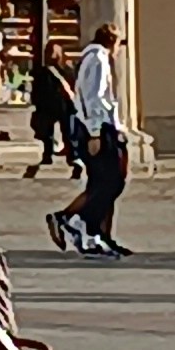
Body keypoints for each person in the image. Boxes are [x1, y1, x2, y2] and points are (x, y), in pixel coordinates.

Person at [54, 22, 130, 257]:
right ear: (112, 41)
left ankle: (96, 233)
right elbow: (93, 98)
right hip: (98, 128)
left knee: (103, 182)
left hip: (105, 126)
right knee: (110, 181)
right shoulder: (97, 59)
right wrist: (96, 132)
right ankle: (81, 222)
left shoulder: (95, 59)